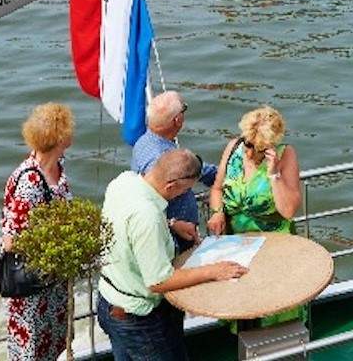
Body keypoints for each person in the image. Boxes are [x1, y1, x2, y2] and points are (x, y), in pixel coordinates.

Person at [97, 149, 247, 360]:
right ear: (171, 186)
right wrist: (213, 271)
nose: (184, 194)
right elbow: (158, 281)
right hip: (138, 318)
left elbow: (127, 222)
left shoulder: (124, 181)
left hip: (108, 300)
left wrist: (171, 224)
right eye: (185, 190)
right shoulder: (148, 217)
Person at [208, 106, 302, 327]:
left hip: (273, 246)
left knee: (271, 308)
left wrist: (274, 174)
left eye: (258, 148)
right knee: (241, 305)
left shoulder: (285, 155)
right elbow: (217, 189)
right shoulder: (234, 148)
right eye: (248, 144)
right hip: (235, 244)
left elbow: (288, 210)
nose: (249, 152)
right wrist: (217, 212)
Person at [2, 103, 75, 361]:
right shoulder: (31, 181)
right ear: (60, 138)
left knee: (53, 348)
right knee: (33, 352)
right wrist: (55, 242)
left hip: (52, 286)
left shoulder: (56, 167)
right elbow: (11, 242)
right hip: (34, 290)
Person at [132, 91, 217, 251]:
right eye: (184, 109)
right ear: (177, 120)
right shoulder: (162, 156)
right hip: (174, 238)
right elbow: (148, 203)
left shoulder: (143, 142)